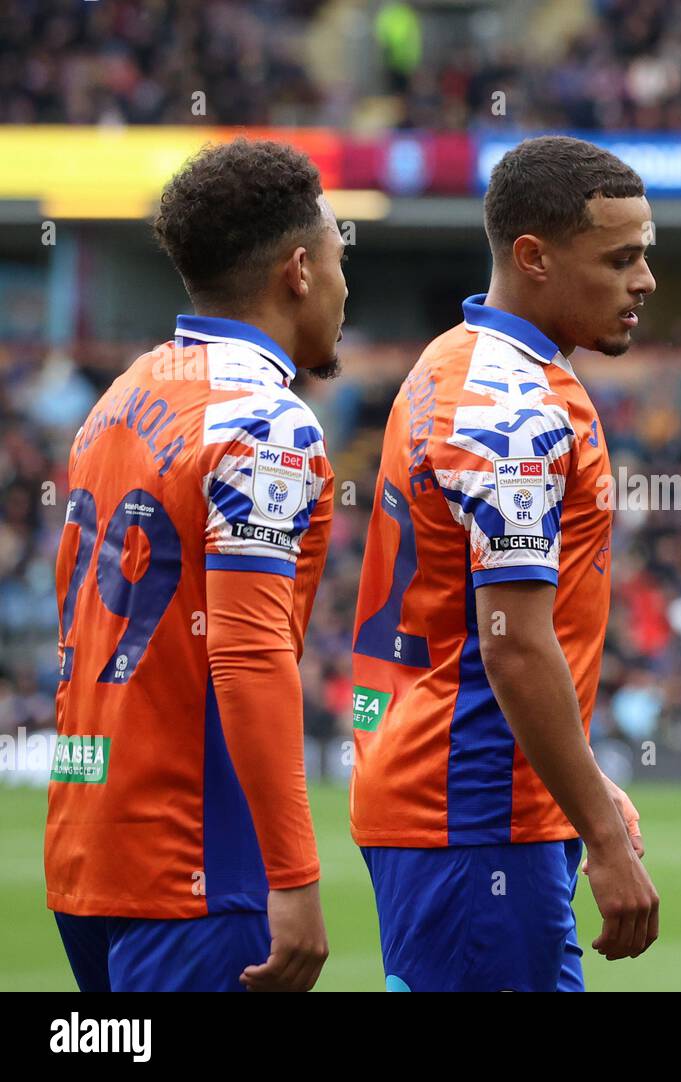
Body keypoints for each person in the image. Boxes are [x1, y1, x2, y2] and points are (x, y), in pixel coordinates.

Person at [350, 134, 659, 991]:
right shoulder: (512, 405)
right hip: (472, 806)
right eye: (621, 257)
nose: (646, 281)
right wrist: (599, 834)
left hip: (464, 796)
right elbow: (513, 643)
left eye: (646, 255)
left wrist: (583, 785)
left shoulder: (464, 363)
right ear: (534, 257)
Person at [46, 138, 348, 992]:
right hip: (198, 865)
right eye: (336, 258)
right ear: (298, 270)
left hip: (88, 852)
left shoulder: (122, 397)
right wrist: (289, 874)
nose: (342, 284)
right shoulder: (265, 422)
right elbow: (248, 657)